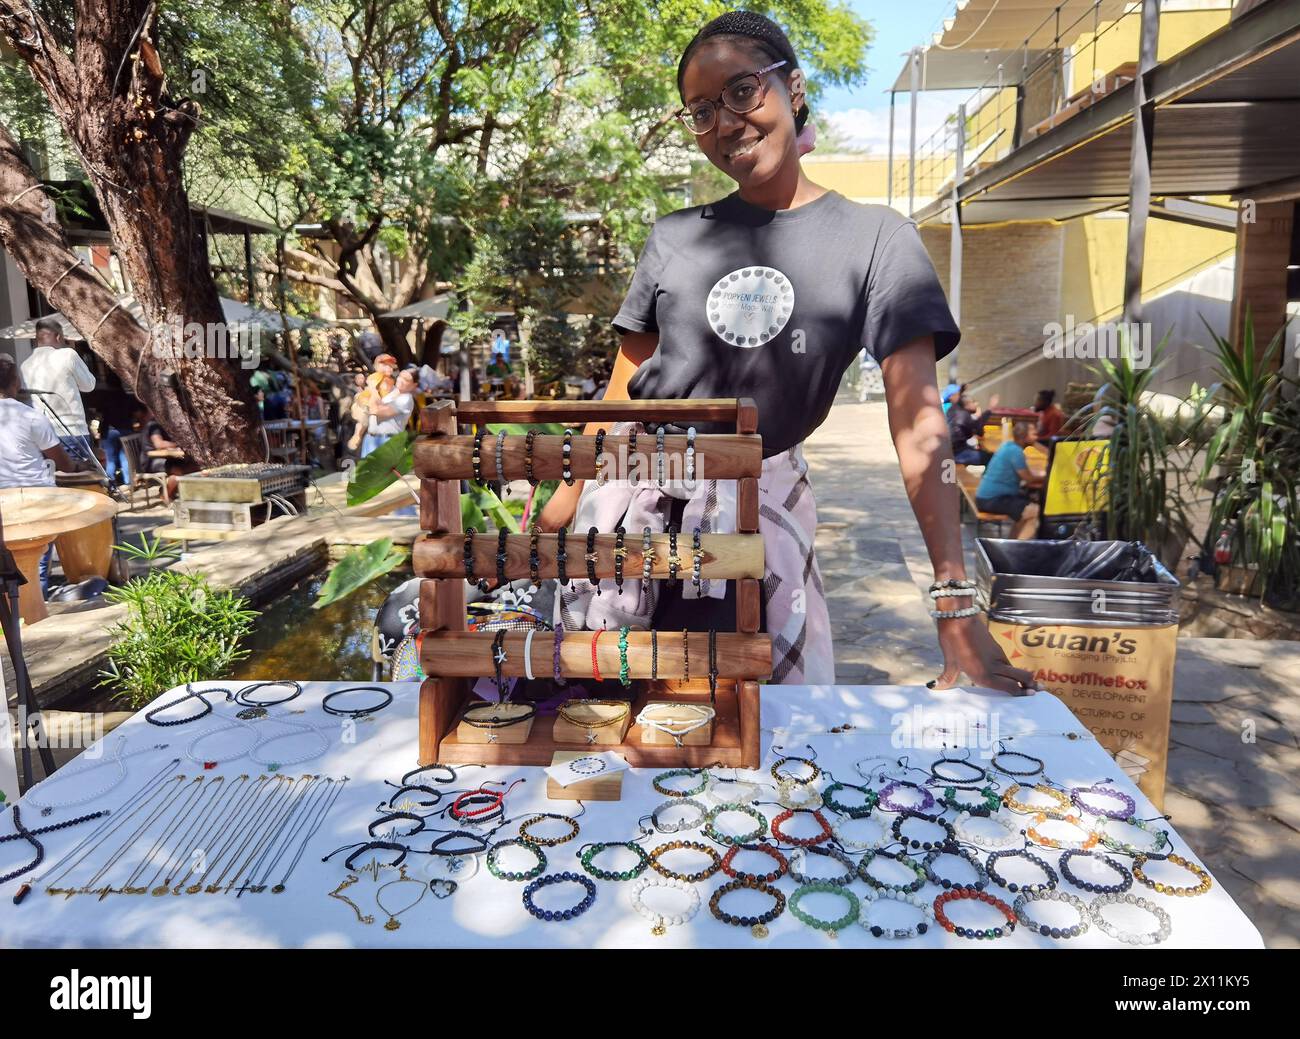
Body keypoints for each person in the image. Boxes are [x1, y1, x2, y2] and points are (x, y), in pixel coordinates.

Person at [536, 11, 1037, 696]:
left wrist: (954, 603)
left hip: (757, 525)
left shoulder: (876, 240)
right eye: (702, 110)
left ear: (794, 87)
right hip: (633, 516)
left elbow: (922, 431)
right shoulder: (675, 235)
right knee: (616, 715)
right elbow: (623, 390)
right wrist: (562, 503)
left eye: (743, 91)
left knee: (756, 726)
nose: (726, 122)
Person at [1, 355, 76, 595]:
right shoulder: (31, 416)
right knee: (37, 562)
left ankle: (15, 616)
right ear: (16, 382)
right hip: (35, 499)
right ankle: (36, 607)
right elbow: (63, 463)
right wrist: (80, 464)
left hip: (3, 502)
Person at [20, 316, 98, 464]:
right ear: (58, 336)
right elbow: (89, 386)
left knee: (55, 482)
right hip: (73, 432)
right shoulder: (68, 354)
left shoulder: (25, 364)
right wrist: (74, 353)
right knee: (79, 483)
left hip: (43, 436)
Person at [976, 420, 1044, 539]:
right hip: (993, 500)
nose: (1036, 437)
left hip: (987, 496)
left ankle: (1011, 544)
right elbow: (1028, 479)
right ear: (1024, 436)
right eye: (1033, 434)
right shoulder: (1015, 451)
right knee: (1035, 511)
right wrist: (1045, 477)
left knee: (1025, 510)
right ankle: (1017, 552)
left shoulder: (1008, 445)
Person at [360, 367, 417, 457]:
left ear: (414, 385)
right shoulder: (393, 393)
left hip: (387, 440)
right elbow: (373, 405)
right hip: (372, 439)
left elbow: (377, 411)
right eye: (400, 376)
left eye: (406, 380)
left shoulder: (406, 399)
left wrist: (373, 389)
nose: (400, 380)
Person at [347, 354, 398, 452]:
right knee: (363, 421)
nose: (390, 368)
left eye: (391, 366)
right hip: (370, 403)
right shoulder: (376, 377)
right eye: (386, 365)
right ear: (378, 367)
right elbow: (373, 390)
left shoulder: (390, 380)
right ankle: (357, 435)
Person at [946, 391, 998, 465]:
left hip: (952, 450)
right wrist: (990, 408)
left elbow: (975, 426)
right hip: (957, 454)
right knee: (991, 457)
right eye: (973, 402)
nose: (976, 404)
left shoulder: (954, 411)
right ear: (967, 405)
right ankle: (987, 476)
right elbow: (980, 432)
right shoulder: (965, 416)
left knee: (983, 451)